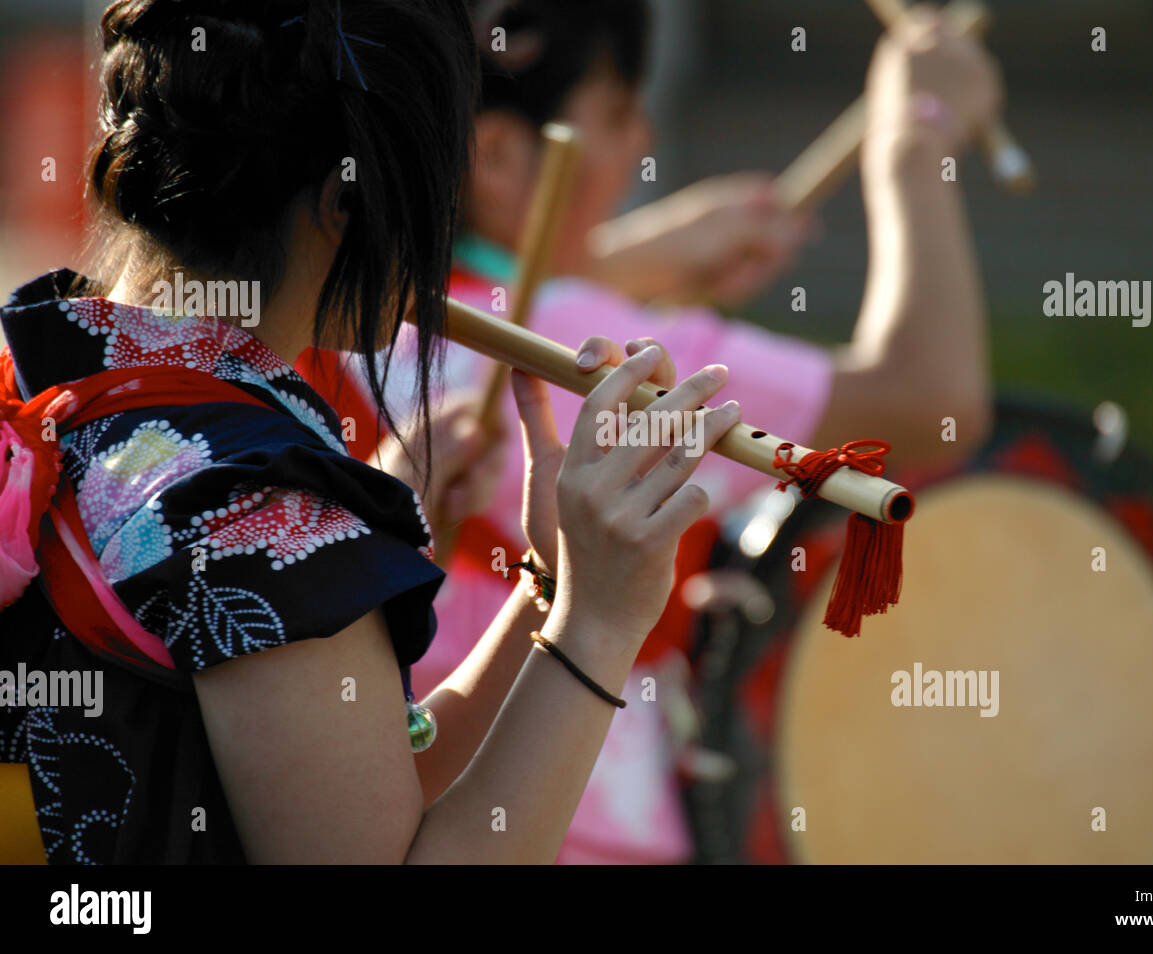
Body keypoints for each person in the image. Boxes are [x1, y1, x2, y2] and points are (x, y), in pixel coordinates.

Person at [0, 0, 730, 864]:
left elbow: (358, 780)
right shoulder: (265, 512)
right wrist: (602, 624)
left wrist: (549, 587)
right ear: (348, 198)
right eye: (433, 183)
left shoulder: (56, 374)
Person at [302, 0, 1003, 862]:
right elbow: (932, 397)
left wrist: (632, 258)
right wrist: (914, 146)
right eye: (613, 112)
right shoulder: (602, 343)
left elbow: (515, 284)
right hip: (587, 823)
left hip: (415, 789)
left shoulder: (356, 320)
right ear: (496, 155)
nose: (639, 140)